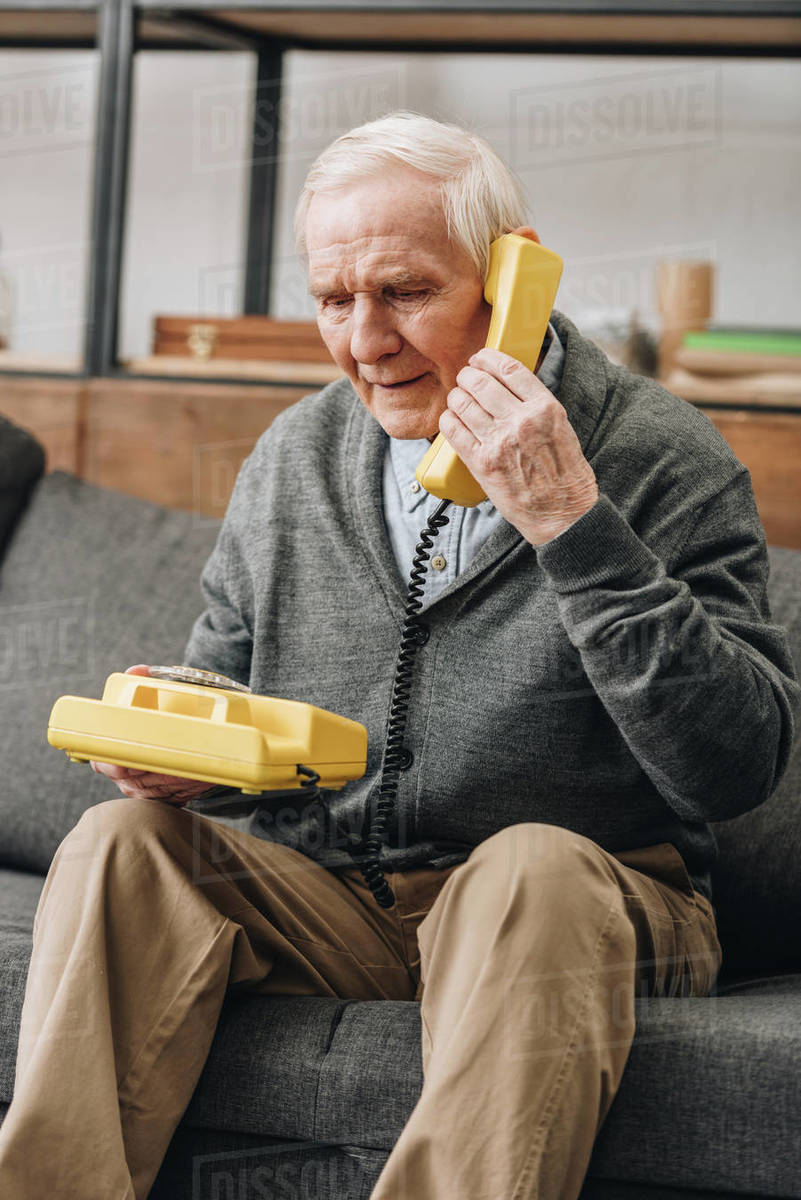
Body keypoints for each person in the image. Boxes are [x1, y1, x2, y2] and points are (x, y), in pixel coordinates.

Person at [0, 112, 797, 1200]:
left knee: (528, 867)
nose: (365, 341)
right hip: (334, 900)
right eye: (335, 299)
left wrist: (574, 525)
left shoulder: (663, 458)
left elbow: (733, 765)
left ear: (511, 275)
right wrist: (187, 750)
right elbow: (220, 679)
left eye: (405, 292)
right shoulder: (296, 456)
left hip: (588, 911)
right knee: (116, 846)